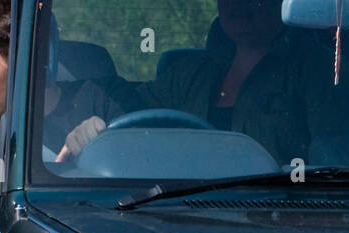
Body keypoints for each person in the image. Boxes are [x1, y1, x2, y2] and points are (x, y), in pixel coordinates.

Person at [57, 0, 349, 164]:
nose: (239, 2)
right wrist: (89, 124)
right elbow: (129, 111)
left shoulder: (319, 68)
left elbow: (331, 165)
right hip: (170, 212)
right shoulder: (192, 72)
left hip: (278, 220)